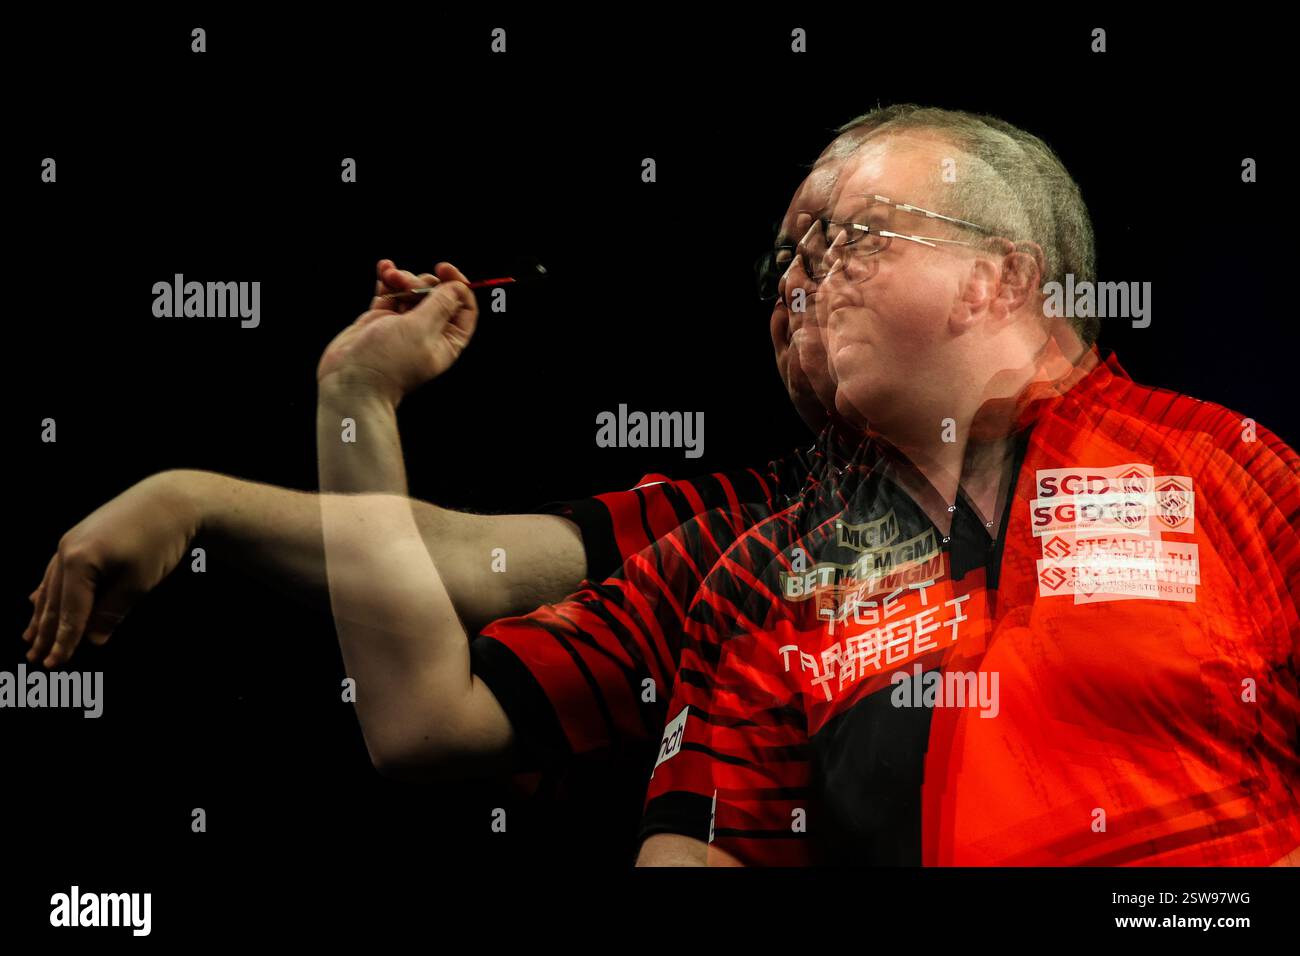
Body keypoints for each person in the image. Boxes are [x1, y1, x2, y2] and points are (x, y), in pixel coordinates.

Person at [636, 105, 1300, 866]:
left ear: (998, 278)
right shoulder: (767, 576)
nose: (799, 282)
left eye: (852, 238)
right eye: (789, 260)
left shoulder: (1230, 467)